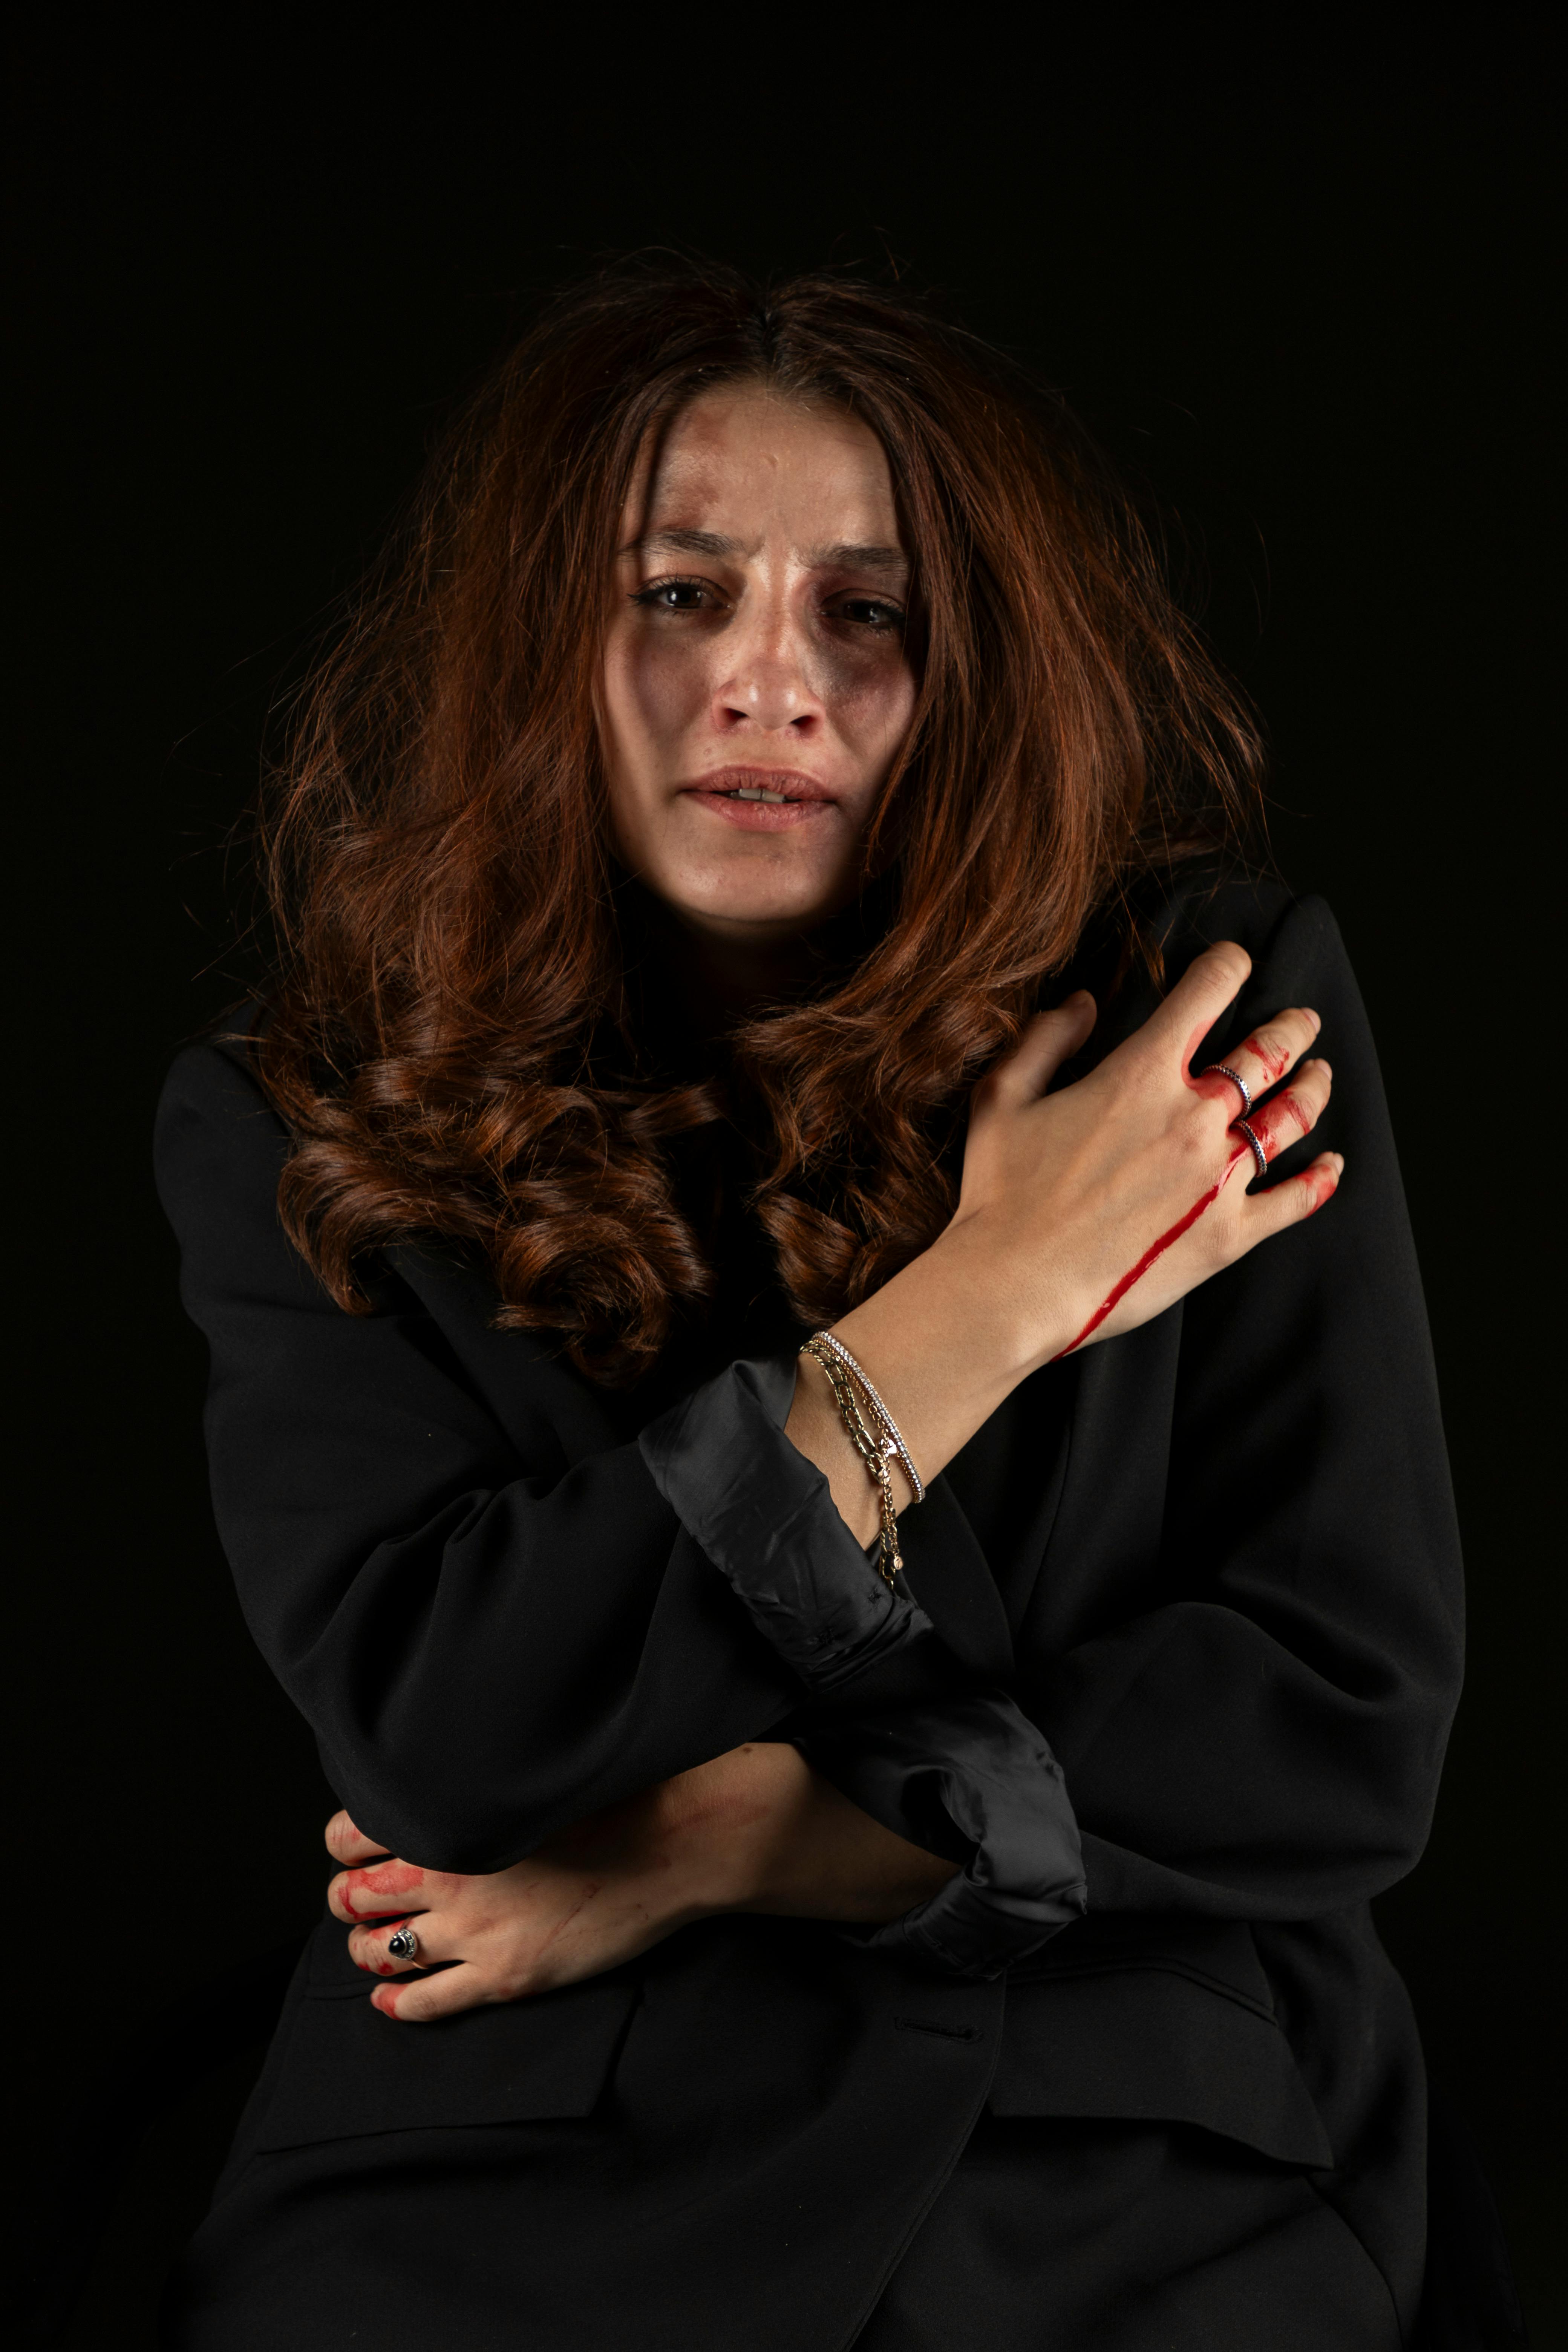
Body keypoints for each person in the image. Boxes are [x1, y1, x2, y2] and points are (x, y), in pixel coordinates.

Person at [154, 259, 1461, 2349]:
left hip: (1115, 2123)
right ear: (536, 644)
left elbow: (1333, 1724)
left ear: (977, 668)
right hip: (515, 2143)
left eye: (870, 612)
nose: (771, 683)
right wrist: (998, 1293)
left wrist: (748, 1836)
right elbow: (448, 1730)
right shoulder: (305, 1113)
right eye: (680, 595)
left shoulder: (1202, 1015)